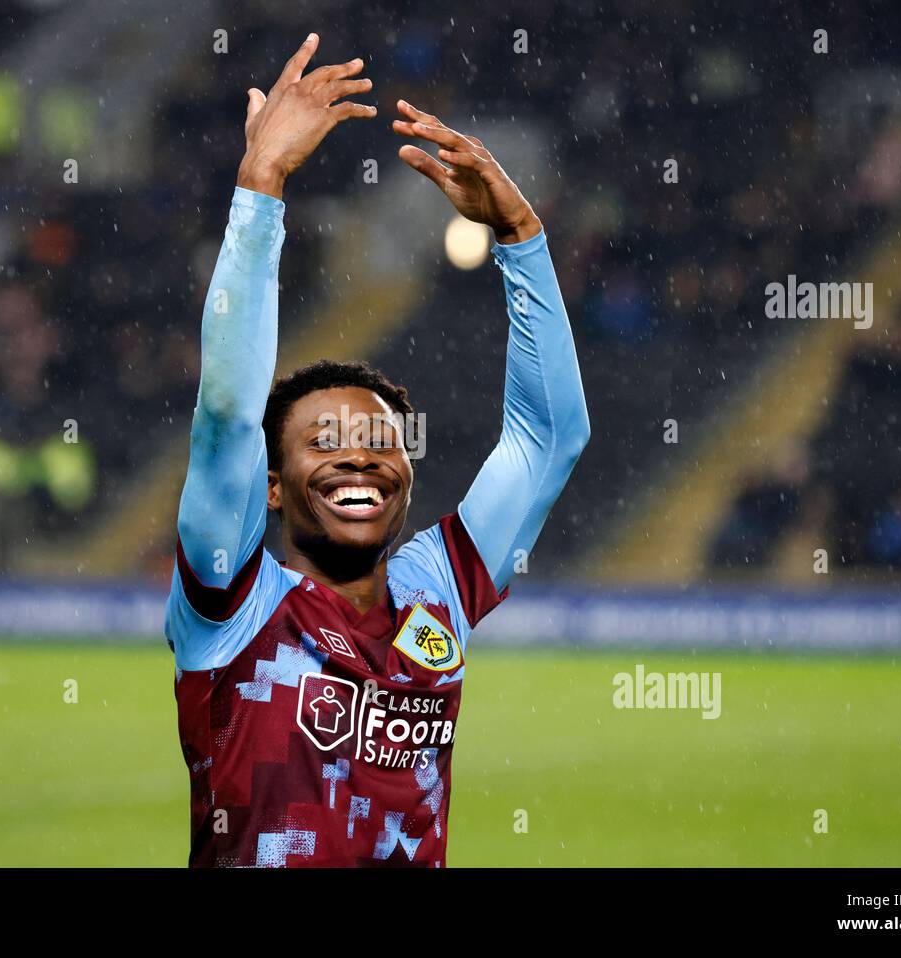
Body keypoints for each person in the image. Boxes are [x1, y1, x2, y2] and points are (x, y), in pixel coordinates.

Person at [164, 33, 590, 867]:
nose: (359, 457)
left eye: (379, 443)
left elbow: (548, 440)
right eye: (324, 442)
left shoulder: (439, 590)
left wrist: (521, 237)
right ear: (274, 489)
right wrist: (261, 188)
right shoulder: (232, 604)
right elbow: (225, 410)